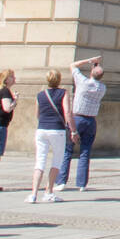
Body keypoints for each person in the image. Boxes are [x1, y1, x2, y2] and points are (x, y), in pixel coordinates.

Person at [57, 55, 107, 192]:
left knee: (67, 150)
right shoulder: (102, 88)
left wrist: (90, 61)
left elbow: (73, 65)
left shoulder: (83, 83)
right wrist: (95, 67)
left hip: (77, 119)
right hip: (91, 121)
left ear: (91, 73)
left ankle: (61, 181)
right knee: (85, 152)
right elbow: (96, 76)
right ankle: (81, 184)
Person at [29, 70, 76, 203]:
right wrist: (73, 131)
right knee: (57, 160)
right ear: (59, 80)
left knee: (40, 161)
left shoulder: (40, 94)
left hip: (42, 129)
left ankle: (33, 194)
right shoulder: (63, 93)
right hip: (57, 129)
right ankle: (49, 192)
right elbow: (67, 112)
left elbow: (37, 114)